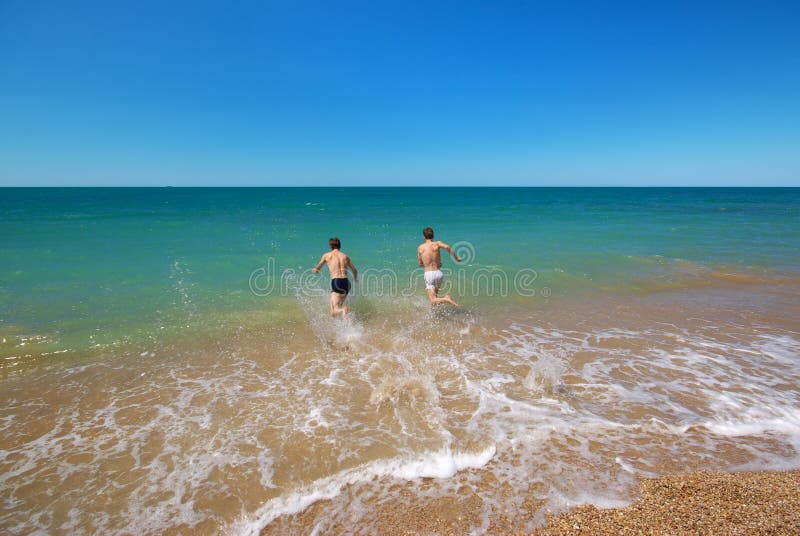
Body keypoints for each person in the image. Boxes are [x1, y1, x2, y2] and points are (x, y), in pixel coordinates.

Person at [312, 237, 358, 319]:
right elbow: (354, 270)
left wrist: (315, 270)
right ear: (339, 246)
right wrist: (355, 279)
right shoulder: (345, 256)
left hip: (337, 282)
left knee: (333, 311)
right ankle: (344, 324)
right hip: (346, 283)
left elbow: (318, 268)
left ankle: (343, 311)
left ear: (330, 246)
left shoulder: (327, 255)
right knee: (337, 308)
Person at [417, 227, 461, 306]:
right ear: (433, 236)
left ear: (423, 237)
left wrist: (426, 263)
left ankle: (446, 299)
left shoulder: (420, 247)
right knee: (435, 298)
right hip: (439, 274)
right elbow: (447, 247)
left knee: (432, 300)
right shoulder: (437, 244)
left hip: (429, 275)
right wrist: (456, 258)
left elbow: (420, 263)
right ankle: (435, 315)